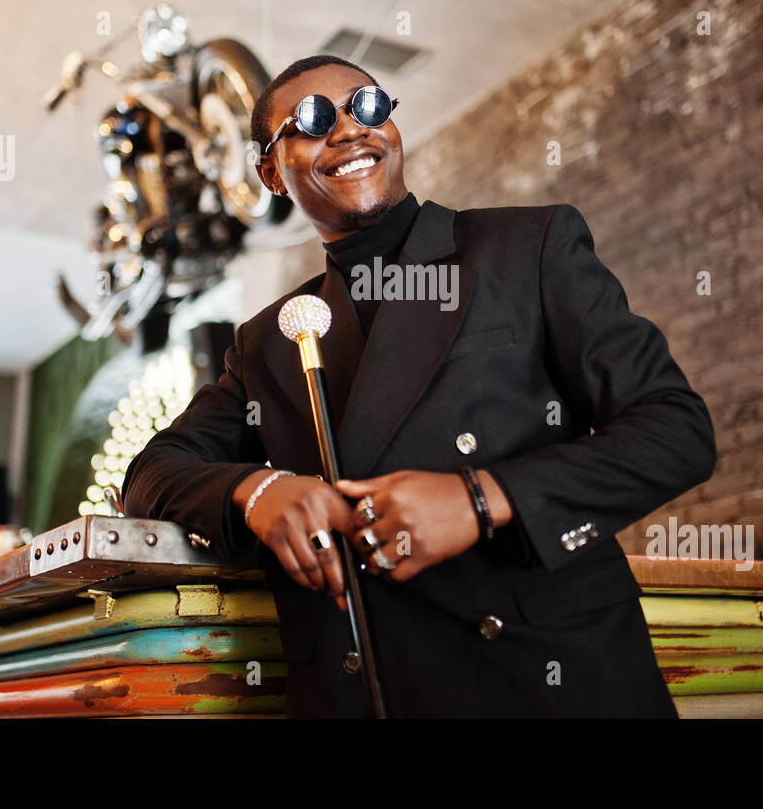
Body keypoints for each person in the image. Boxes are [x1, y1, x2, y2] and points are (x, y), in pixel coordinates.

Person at [121, 53, 717, 717]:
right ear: (271, 172)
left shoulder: (527, 246)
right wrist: (255, 489)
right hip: (366, 690)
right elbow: (150, 474)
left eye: (368, 106)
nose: (350, 129)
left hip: (549, 682)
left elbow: (676, 430)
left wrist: (480, 497)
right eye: (314, 119)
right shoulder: (267, 339)